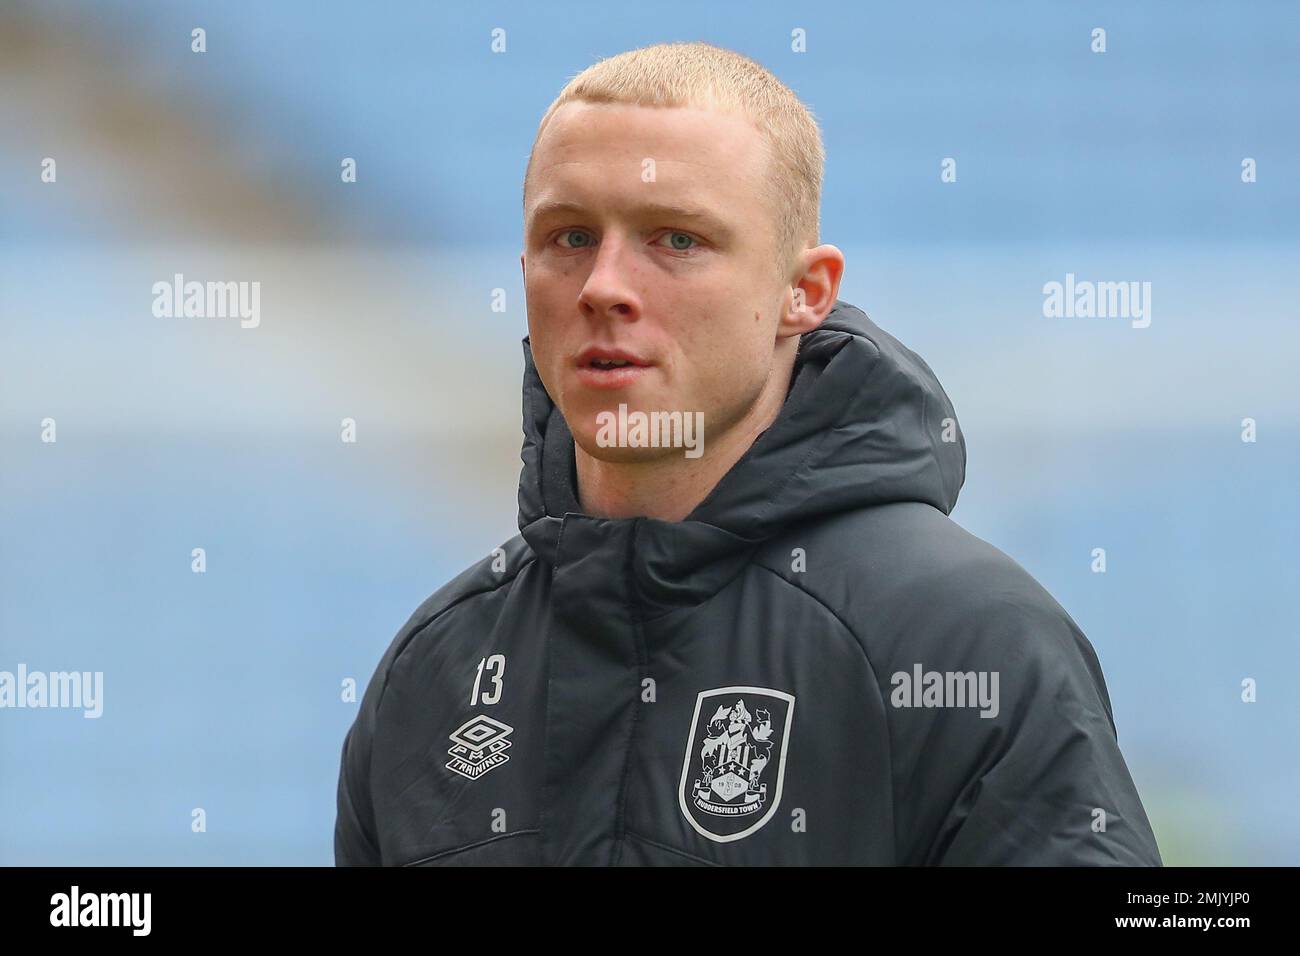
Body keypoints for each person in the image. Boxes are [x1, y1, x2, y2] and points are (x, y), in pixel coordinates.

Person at [334, 40, 1162, 866]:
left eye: (677, 240)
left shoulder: (964, 639)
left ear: (803, 292)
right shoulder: (436, 667)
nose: (603, 286)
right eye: (571, 236)